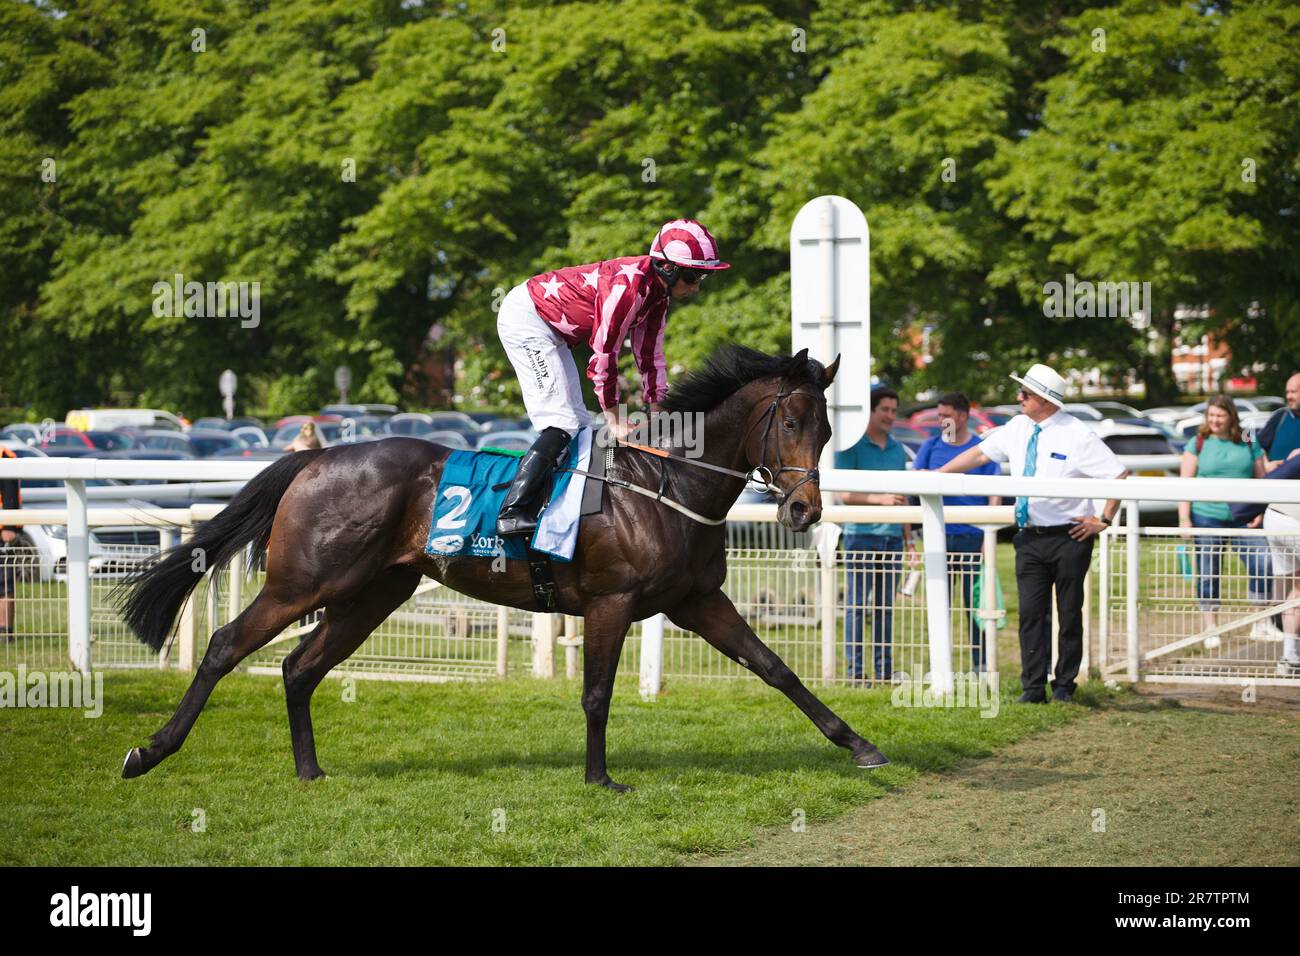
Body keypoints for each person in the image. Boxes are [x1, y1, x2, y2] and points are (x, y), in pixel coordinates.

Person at [494, 219, 729, 537]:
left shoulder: (657, 297)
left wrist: (658, 410)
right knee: (561, 422)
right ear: (667, 269)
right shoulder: (626, 289)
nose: (697, 286)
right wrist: (615, 417)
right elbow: (605, 355)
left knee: (579, 426)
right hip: (527, 319)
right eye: (691, 276)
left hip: (553, 331)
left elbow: (651, 357)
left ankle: (558, 506)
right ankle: (512, 511)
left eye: (702, 277)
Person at [938, 364, 1127, 703]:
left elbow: (1118, 475)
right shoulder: (1017, 427)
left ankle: (1065, 685)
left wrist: (1104, 519)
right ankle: (1033, 687)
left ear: (1045, 399)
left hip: (1070, 537)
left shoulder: (1077, 434)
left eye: (1025, 393)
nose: (1018, 397)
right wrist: (938, 475)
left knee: (1069, 614)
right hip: (1029, 537)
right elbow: (981, 453)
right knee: (1030, 615)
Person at [913, 392, 1002, 672]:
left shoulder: (982, 449)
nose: (941, 421)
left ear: (963, 416)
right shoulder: (929, 446)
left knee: (976, 605)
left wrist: (989, 535)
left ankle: (981, 665)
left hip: (973, 537)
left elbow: (995, 494)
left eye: (946, 415)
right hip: (938, 536)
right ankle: (940, 667)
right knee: (940, 604)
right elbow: (916, 483)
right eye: (939, 415)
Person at [835, 386, 918, 682]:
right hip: (861, 537)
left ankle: (883, 672)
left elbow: (903, 497)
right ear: (870, 411)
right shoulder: (851, 447)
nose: (890, 416)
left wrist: (909, 542)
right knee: (857, 607)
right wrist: (879, 499)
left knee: (885, 608)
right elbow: (844, 493)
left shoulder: (897, 449)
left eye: (894, 411)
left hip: (893, 538)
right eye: (885, 409)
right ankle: (856, 674)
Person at [1178, 395, 1273, 638]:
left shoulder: (1246, 438)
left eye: (1220, 415)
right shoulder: (1199, 441)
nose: (1215, 420)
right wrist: (1184, 519)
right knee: (1208, 570)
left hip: (1243, 515)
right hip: (1207, 515)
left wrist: (1260, 510)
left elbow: (1261, 477)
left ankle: (1260, 622)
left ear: (1231, 415)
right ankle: (1211, 626)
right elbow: (1184, 483)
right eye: (1211, 415)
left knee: (1262, 563)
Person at [1258, 372, 1300, 473]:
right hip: (1276, 484)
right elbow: (1256, 446)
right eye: (1287, 392)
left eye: (1293, 392)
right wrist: (1265, 464)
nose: (1288, 396)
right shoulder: (1280, 416)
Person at [0, 444, 20, 641]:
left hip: (2, 530)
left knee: (4, 584)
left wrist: (9, 527)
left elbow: (10, 495)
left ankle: (4, 630)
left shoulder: (4, 455)